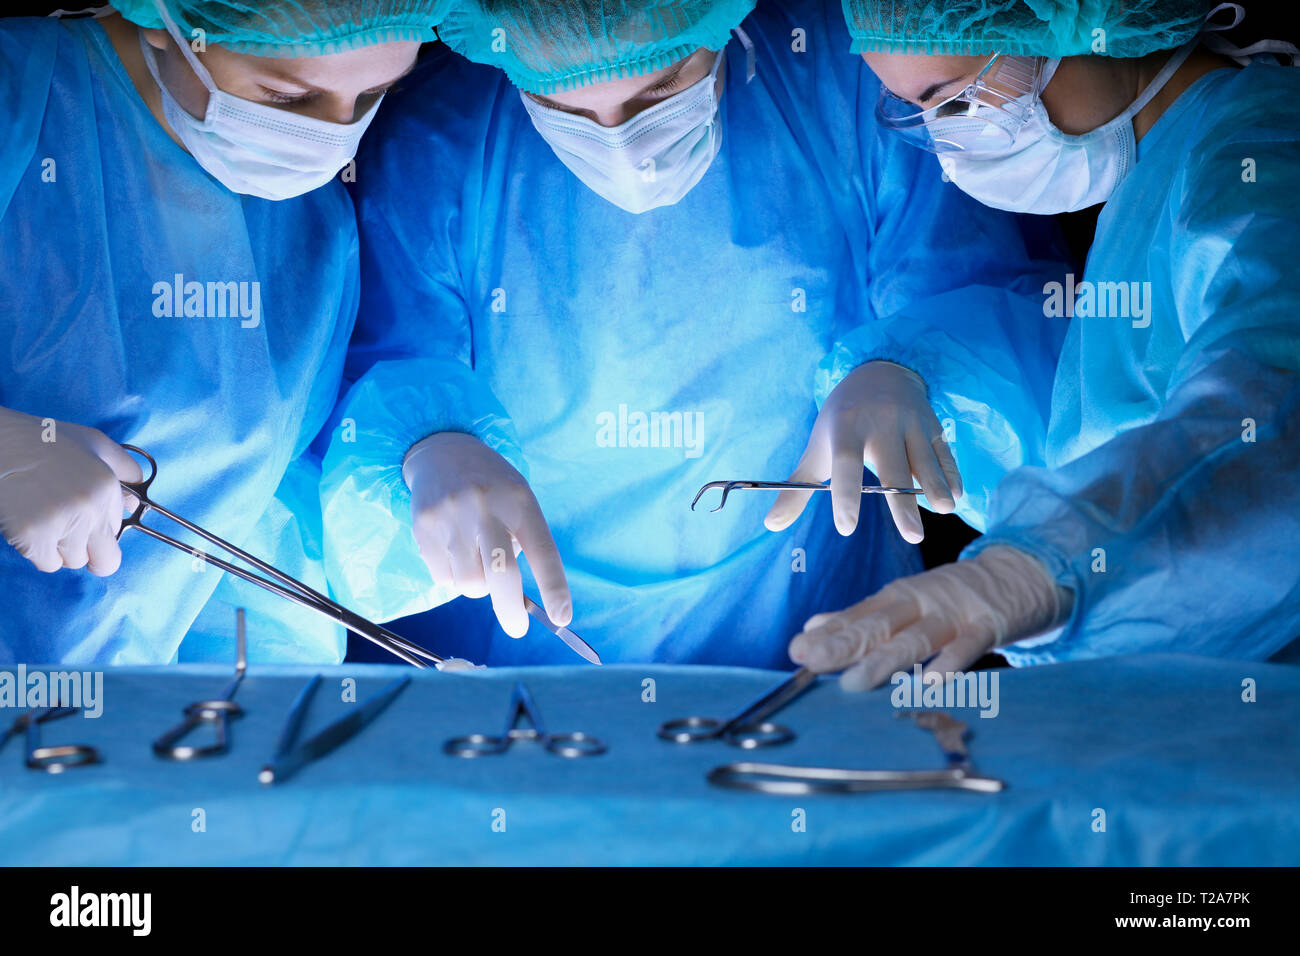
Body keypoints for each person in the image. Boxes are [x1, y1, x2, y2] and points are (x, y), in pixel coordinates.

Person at [320, 0, 1069, 666]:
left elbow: (982, 294)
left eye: (661, 86)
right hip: (520, 661)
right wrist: (424, 447)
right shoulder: (437, 137)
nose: (622, 143)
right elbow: (394, 361)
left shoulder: (837, 71)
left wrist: (915, 370)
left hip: (831, 621)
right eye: (568, 110)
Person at [790, 0, 1300, 690]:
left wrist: (1040, 568)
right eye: (917, 114)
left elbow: (1273, 423)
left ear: (1074, 25)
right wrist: (905, 371)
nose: (949, 146)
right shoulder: (1164, 163)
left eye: (954, 100)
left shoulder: (1260, 150)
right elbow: (1091, 413)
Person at [0, 1, 448, 665]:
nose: (330, 139)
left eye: (372, 96)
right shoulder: (21, 98)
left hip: (100, 728)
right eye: (287, 94)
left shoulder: (307, 215)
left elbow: (250, 516)